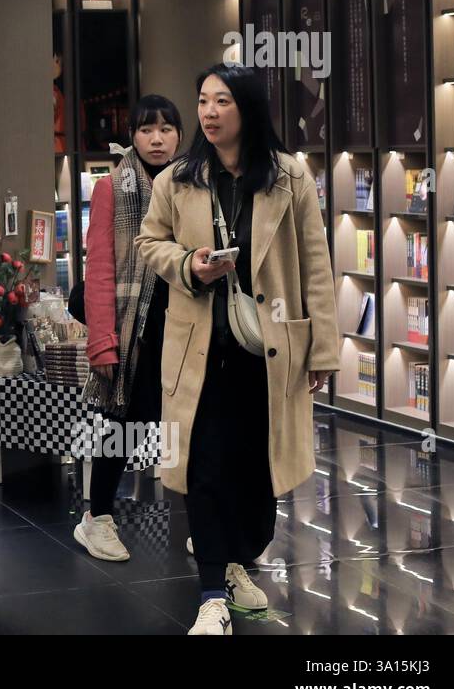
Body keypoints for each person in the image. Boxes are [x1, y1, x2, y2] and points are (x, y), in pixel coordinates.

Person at [135, 64, 338, 635]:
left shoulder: (289, 177)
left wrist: (322, 347)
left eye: (222, 101)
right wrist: (188, 264)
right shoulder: (177, 179)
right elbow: (149, 242)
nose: (209, 112)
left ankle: (236, 561)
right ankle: (209, 595)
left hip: (267, 352)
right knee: (204, 470)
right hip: (199, 351)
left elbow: (316, 265)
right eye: (202, 101)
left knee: (257, 473)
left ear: (246, 108)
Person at [74, 96, 182, 562]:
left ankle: (201, 524)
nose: (157, 139)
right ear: (133, 137)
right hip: (133, 327)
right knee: (125, 426)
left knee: (191, 428)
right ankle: (96, 519)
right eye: (145, 130)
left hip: (182, 325)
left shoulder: (192, 184)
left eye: (166, 129)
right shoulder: (111, 189)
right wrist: (103, 343)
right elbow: (98, 270)